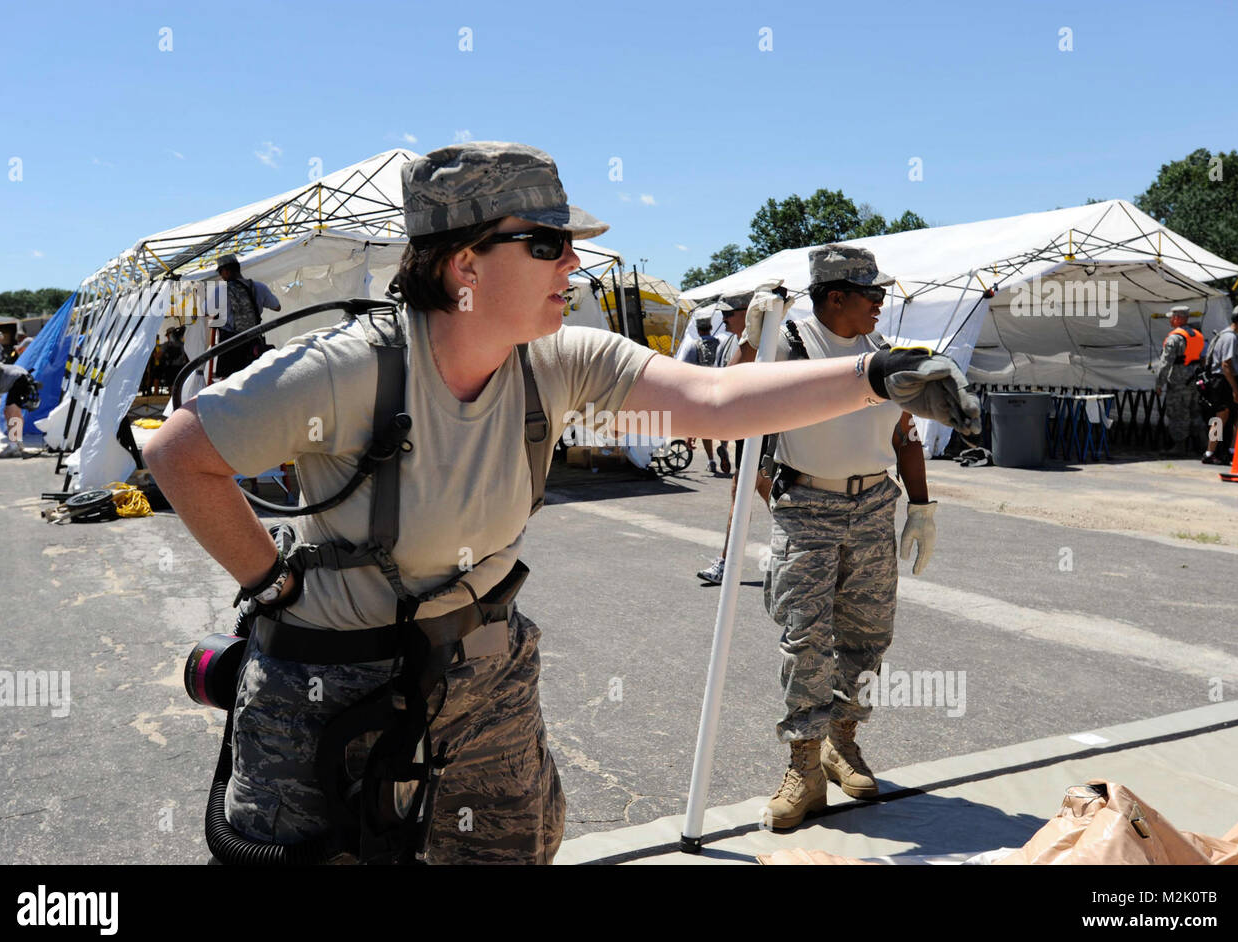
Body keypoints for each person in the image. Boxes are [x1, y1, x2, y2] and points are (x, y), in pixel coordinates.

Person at [143, 141, 980, 865]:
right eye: (546, 243)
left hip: (481, 669)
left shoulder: (557, 360)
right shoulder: (352, 368)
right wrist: (268, 582)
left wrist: (874, 374)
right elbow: (179, 454)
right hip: (330, 679)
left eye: (568, 243)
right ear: (463, 265)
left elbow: (714, 400)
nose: (571, 264)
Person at [760, 244, 940, 830]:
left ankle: (841, 742)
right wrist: (782, 509)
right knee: (805, 641)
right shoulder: (789, 347)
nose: (882, 303)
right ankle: (804, 766)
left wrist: (921, 507)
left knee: (867, 639)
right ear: (835, 297)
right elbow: (743, 420)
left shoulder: (886, 357)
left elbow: (906, 438)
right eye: (872, 294)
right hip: (806, 506)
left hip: (871, 506)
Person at [696, 292, 770, 583]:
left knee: (742, 496)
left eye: (729, 313)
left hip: (764, 432)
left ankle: (728, 562)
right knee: (771, 497)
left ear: (747, 313)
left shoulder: (757, 342)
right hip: (748, 432)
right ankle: (797, 554)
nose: (723, 319)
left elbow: (729, 380)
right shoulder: (735, 341)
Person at [677, 312, 741, 475]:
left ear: (698, 330)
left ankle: (711, 460)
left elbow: (686, 370)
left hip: (702, 390)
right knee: (722, 423)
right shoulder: (721, 344)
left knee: (705, 428)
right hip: (720, 387)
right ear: (710, 328)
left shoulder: (694, 345)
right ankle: (723, 446)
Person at [209, 253, 281, 378]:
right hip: (253, 341)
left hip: (229, 344)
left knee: (228, 384)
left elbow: (205, 310)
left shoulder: (220, 290)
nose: (221, 276)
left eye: (221, 273)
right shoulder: (259, 287)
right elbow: (277, 307)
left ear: (226, 271)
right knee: (254, 379)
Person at [1202, 305, 1238, 466]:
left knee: (1225, 418)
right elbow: (1226, 365)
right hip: (1225, 381)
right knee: (1224, 418)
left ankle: (1215, 451)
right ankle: (1215, 452)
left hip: (1222, 381)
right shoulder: (1231, 337)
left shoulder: (1228, 335)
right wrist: (1235, 390)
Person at [1154, 306, 1204, 455]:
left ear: (1178, 318)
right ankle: (1203, 445)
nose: (1170, 320)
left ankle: (1180, 446)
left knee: (1177, 413)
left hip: (1178, 383)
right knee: (1195, 413)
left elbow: (1165, 363)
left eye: (1172, 317)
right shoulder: (1196, 335)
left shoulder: (1174, 338)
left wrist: (1159, 383)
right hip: (1194, 381)